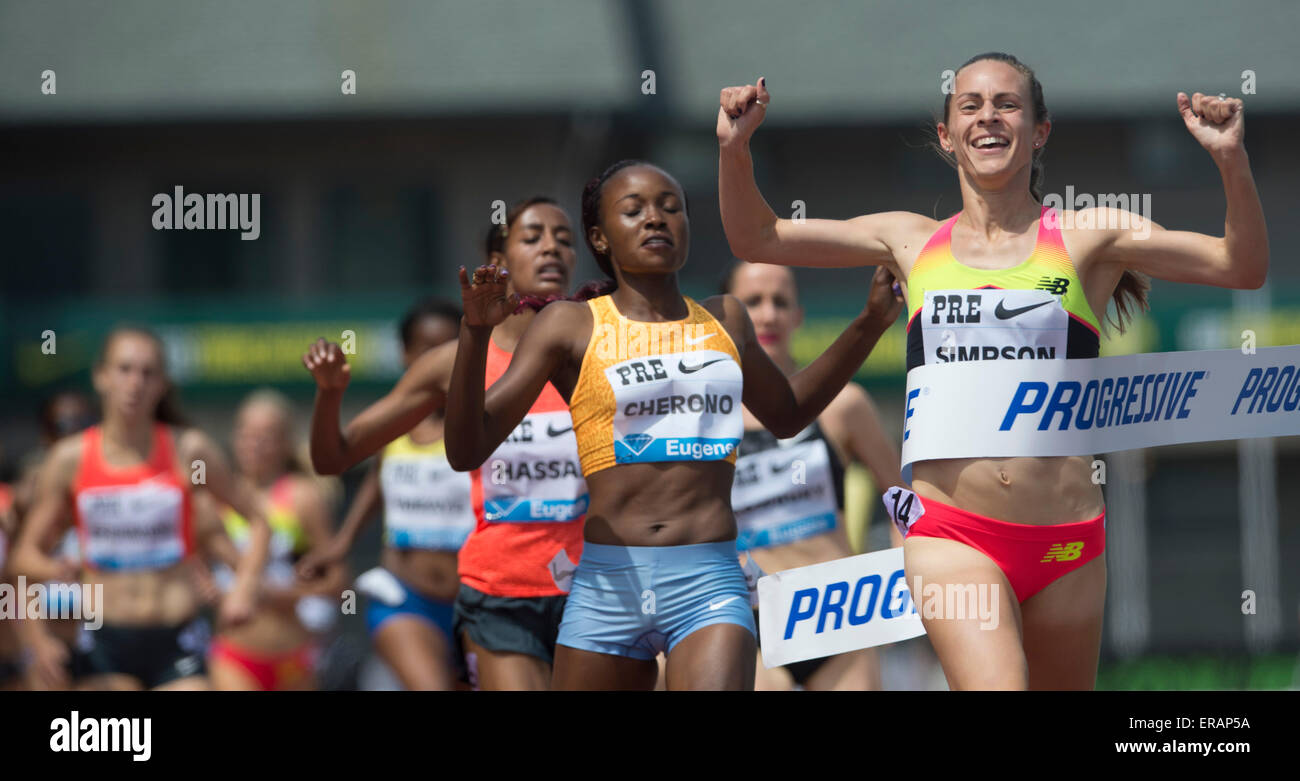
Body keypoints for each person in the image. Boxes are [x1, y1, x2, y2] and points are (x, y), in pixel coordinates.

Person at [716, 53, 1268, 689]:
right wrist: (735, 148)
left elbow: (1241, 266)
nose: (989, 117)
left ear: (1039, 131)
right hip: (952, 536)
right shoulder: (909, 240)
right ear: (947, 137)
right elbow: (758, 237)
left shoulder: (1091, 237)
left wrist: (1230, 159)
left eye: (1008, 104)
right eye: (970, 105)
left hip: (1066, 543)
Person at [444, 160, 902, 690]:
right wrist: (475, 334)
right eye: (633, 210)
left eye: (670, 208)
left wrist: (869, 323)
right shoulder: (569, 325)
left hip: (708, 580)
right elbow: (466, 449)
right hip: (606, 585)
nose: (655, 220)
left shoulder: (726, 319)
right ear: (600, 236)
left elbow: (789, 413)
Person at [301, 198, 588, 690]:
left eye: (564, 239)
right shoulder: (451, 363)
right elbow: (334, 458)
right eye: (533, 236)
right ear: (498, 262)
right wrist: (330, 397)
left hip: (592, 587)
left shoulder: (600, 347)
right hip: (498, 590)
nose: (551, 249)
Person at [11, 326, 272, 690]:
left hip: (176, 639)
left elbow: (259, 520)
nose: (135, 383)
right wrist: (53, 571)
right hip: (105, 641)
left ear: (163, 384)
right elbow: (22, 557)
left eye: (148, 373)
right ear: (101, 377)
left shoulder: (189, 450)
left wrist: (244, 587)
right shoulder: (70, 459)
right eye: (124, 369)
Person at [721, 261, 903, 690]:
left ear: (798, 316)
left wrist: (900, 585)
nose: (768, 315)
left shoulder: (845, 406)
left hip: (839, 612)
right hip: (752, 620)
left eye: (780, 302)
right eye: (752, 302)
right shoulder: (708, 419)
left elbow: (905, 500)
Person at [297, 298, 473, 691]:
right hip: (406, 597)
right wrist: (341, 543)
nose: (440, 360)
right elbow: (374, 481)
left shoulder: (486, 418)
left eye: (452, 347)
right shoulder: (394, 424)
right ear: (406, 353)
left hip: (478, 602)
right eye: (428, 349)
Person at [207, 389, 345, 691]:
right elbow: (188, 559)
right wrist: (205, 586)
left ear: (285, 443)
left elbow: (339, 581)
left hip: (293, 657)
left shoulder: (303, 497)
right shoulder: (218, 497)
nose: (254, 444)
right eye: (246, 433)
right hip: (234, 653)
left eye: (266, 436)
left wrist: (292, 594)